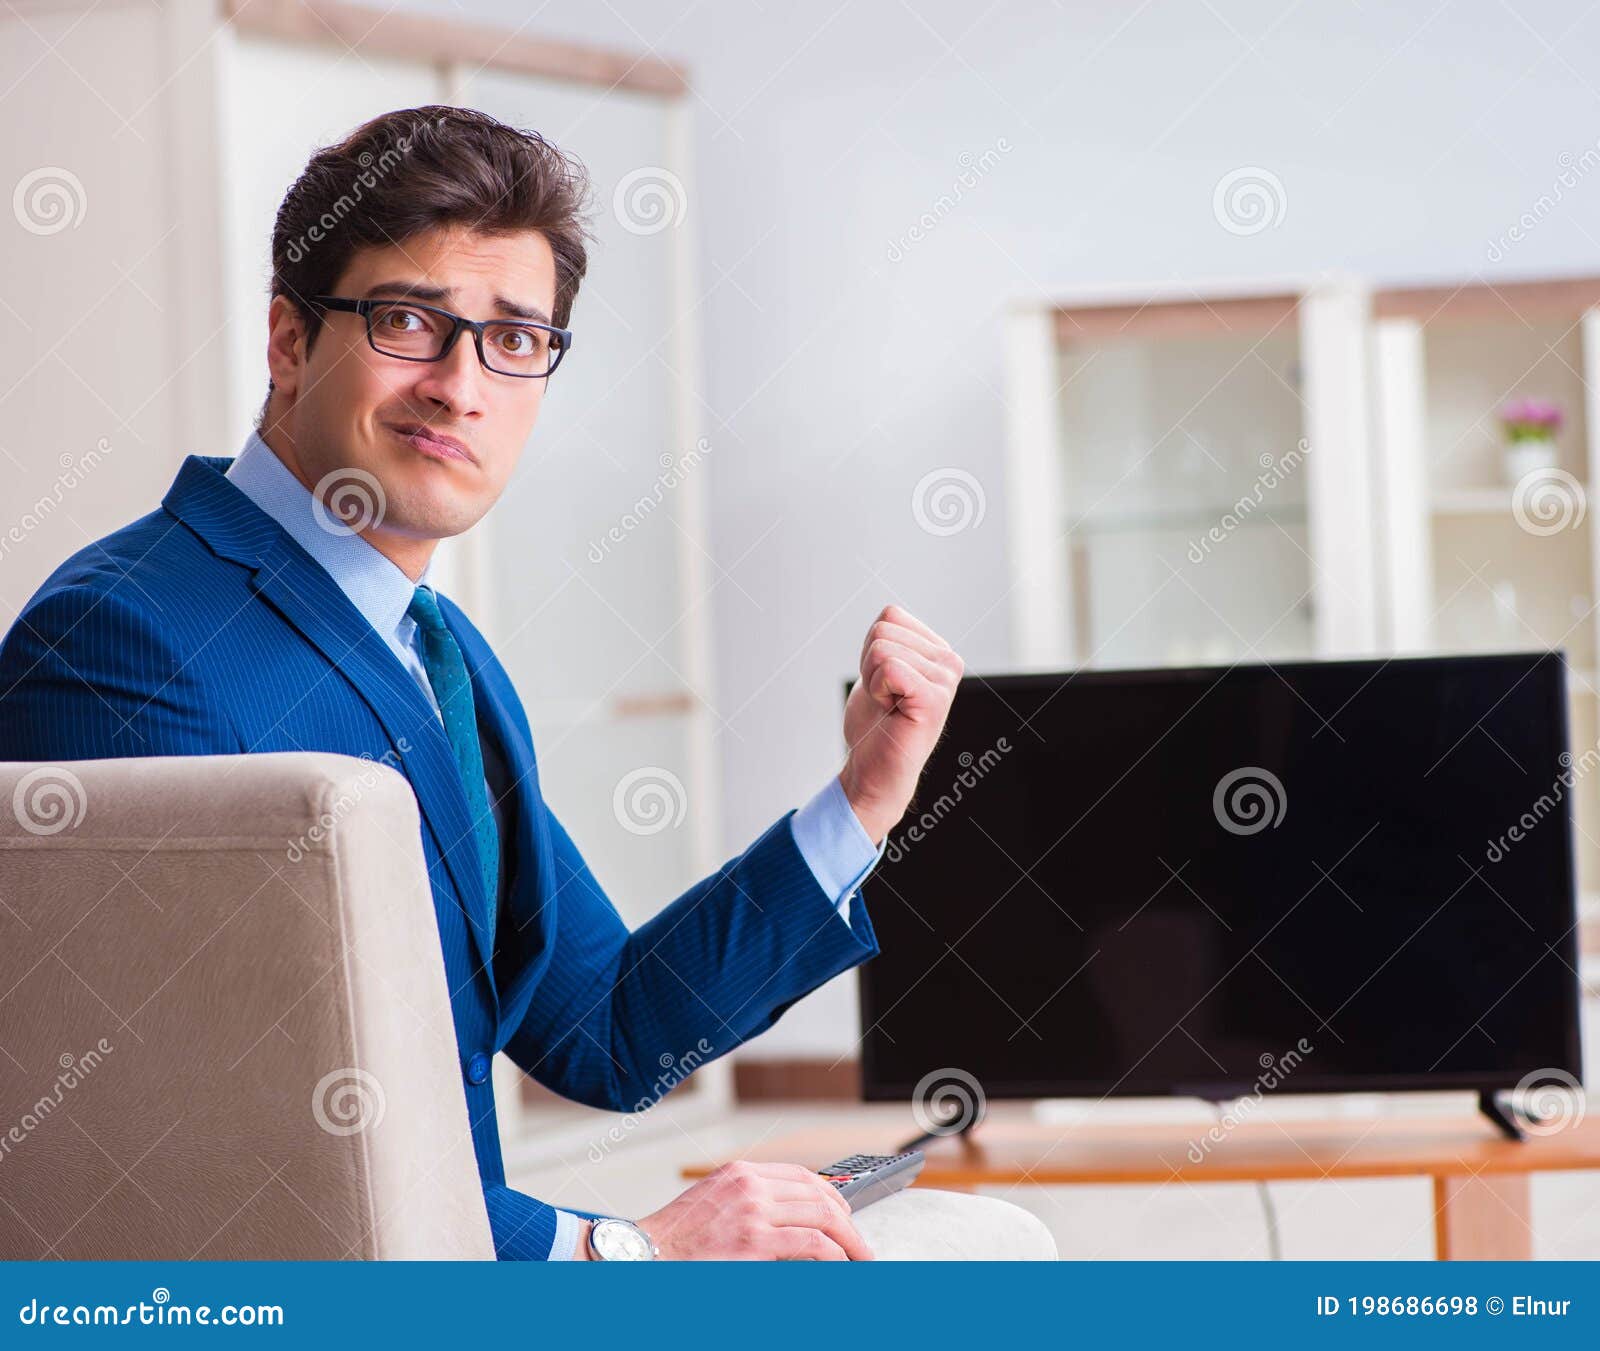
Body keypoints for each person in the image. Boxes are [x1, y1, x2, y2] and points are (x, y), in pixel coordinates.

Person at [0, 106, 963, 1261]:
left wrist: (862, 797)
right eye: (409, 321)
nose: (461, 387)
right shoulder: (118, 642)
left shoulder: (438, 653)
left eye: (513, 339)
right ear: (289, 341)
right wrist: (624, 1252)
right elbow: (197, 1145)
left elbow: (608, 1027)